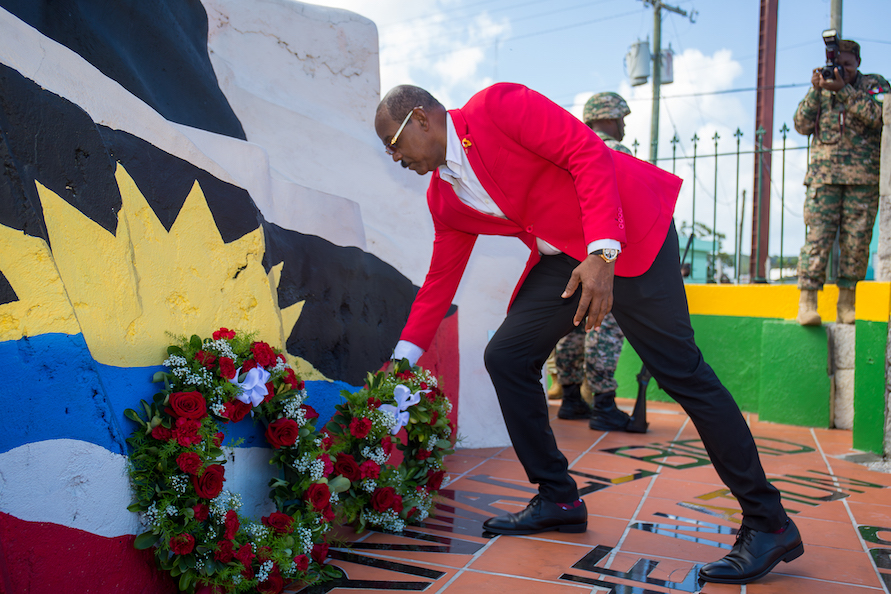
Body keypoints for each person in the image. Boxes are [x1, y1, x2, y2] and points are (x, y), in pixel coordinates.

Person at [374, 82, 802, 584]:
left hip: (628, 233)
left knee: (681, 373)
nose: (393, 155)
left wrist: (603, 253)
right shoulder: (445, 196)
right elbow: (439, 281)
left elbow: (586, 152)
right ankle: (557, 497)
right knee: (508, 356)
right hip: (566, 258)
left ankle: (769, 522)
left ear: (422, 119)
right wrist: (402, 362)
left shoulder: (498, 106)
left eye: (394, 142)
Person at [554, 92, 635, 432]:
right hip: (602, 255)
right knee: (602, 323)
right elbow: (629, 205)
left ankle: (571, 398)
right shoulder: (616, 151)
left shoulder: (570, 149)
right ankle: (603, 404)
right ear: (611, 118)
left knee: (571, 325)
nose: (624, 125)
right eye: (622, 119)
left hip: (564, 253)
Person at [793, 38, 889, 326]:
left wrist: (844, 92)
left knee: (857, 243)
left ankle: (847, 304)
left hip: (863, 179)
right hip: (824, 178)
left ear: (857, 62)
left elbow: (880, 116)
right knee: (817, 239)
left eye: (847, 64)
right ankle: (807, 302)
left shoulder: (874, 85)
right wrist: (815, 90)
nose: (842, 70)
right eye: (837, 64)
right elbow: (800, 124)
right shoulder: (821, 88)